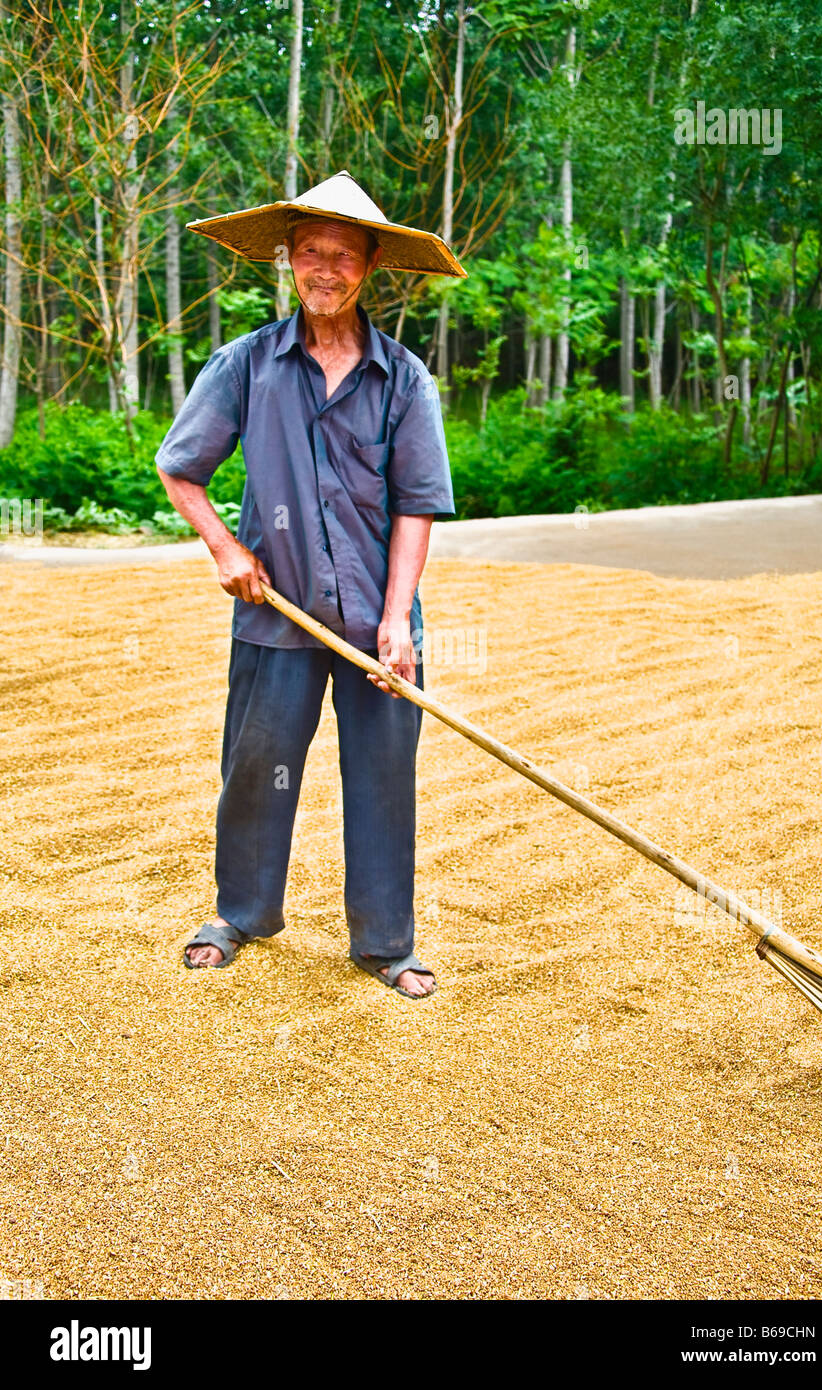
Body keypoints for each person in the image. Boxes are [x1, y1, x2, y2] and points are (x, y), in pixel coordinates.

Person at [155, 170, 466, 999]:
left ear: (370, 267)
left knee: (382, 772)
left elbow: (417, 508)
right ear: (289, 261)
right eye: (309, 253)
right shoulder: (246, 365)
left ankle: (384, 943)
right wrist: (225, 547)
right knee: (258, 766)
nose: (324, 269)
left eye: (343, 255)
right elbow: (179, 467)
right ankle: (241, 913)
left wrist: (398, 620)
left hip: (377, 621)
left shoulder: (405, 381)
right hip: (275, 615)